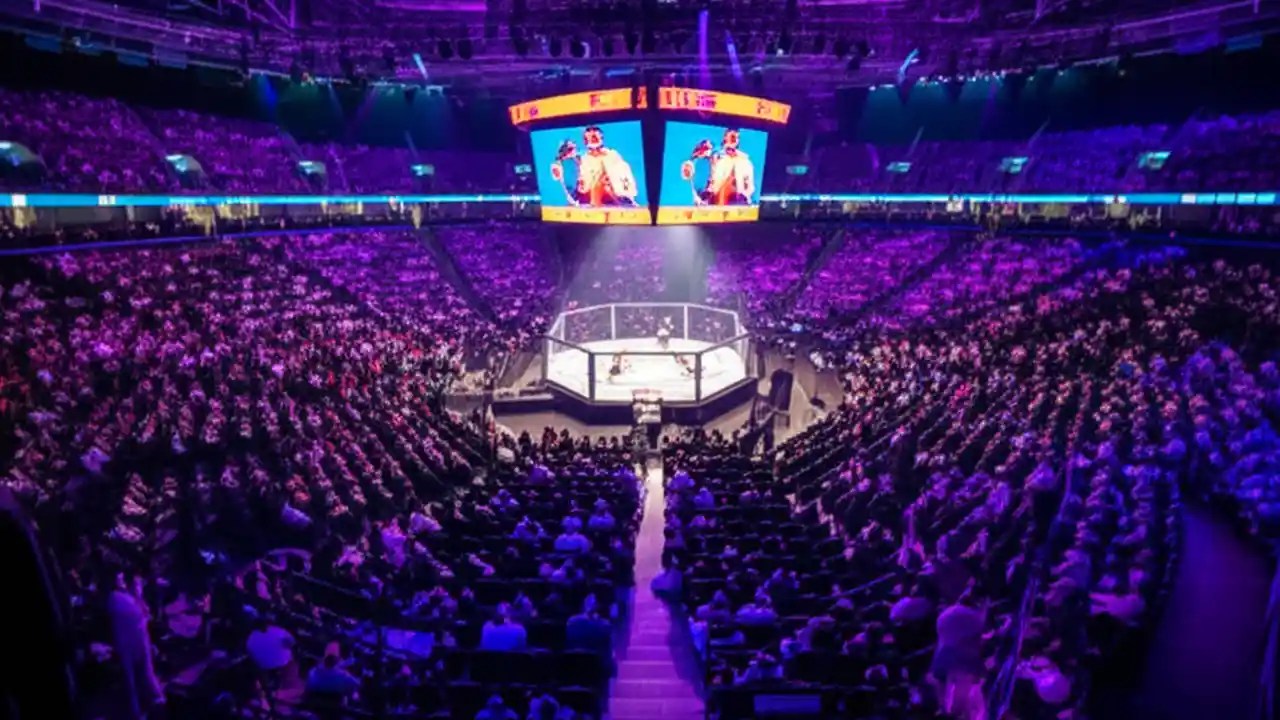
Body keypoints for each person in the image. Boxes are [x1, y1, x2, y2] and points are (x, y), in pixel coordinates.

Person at [548, 126, 639, 207]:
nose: (592, 137)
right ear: (585, 140)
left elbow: (622, 178)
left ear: (601, 137)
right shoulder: (580, 160)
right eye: (589, 136)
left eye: (595, 135)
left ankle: (625, 203)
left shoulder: (612, 155)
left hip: (613, 196)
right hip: (589, 198)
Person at [681, 128, 756, 206]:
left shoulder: (745, 162)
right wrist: (698, 197)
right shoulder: (715, 154)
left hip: (738, 206)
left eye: (737, 137)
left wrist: (745, 196)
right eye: (732, 136)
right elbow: (693, 160)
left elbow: (750, 187)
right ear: (725, 137)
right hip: (715, 204)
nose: (735, 140)